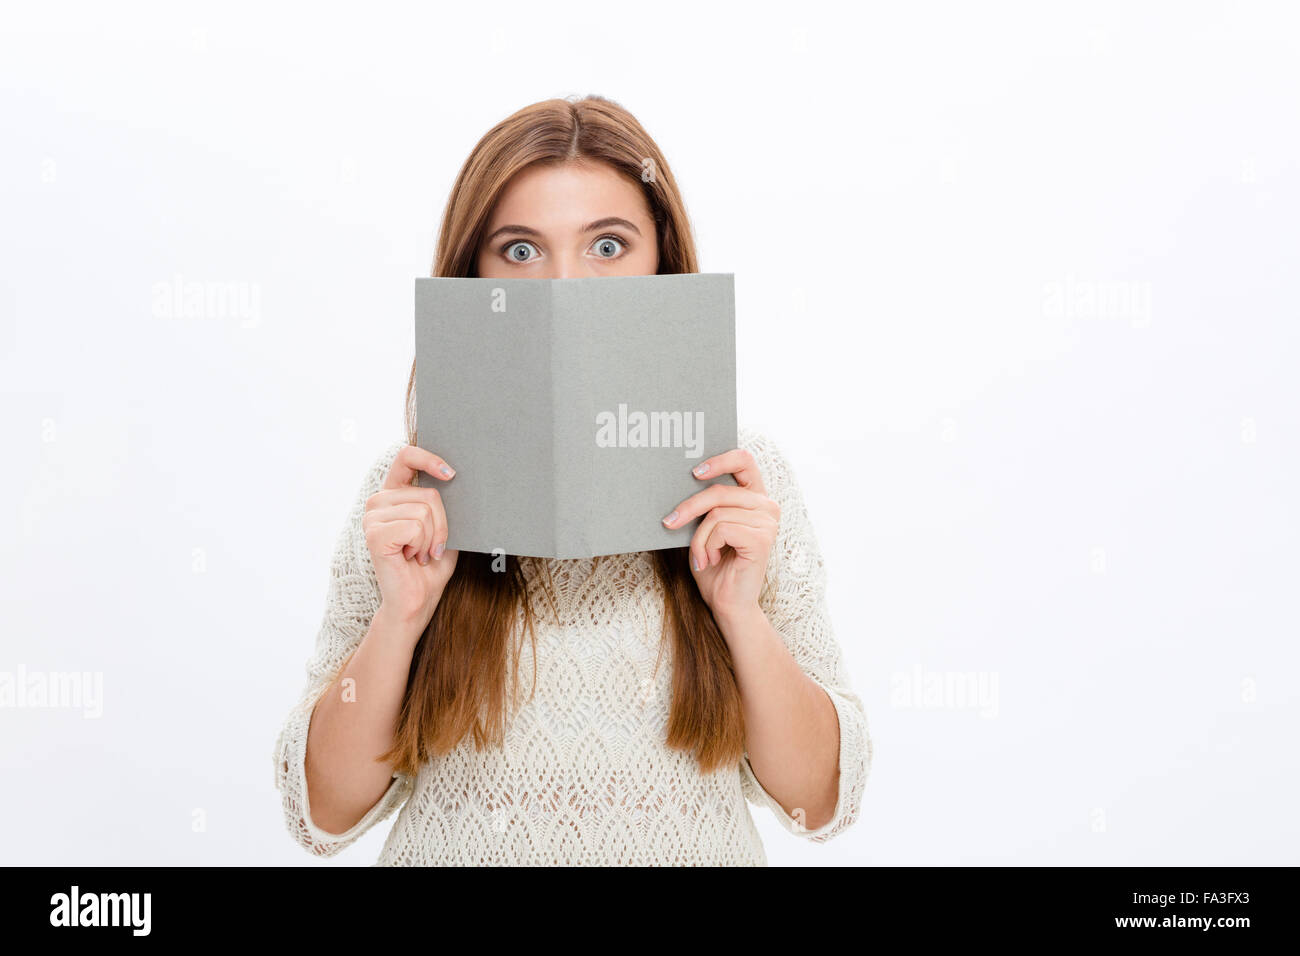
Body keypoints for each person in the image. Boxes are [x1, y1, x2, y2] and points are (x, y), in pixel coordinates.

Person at [272, 94, 872, 865]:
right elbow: (322, 811)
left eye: (609, 245)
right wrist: (401, 618)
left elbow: (818, 800)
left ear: (662, 258)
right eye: (520, 251)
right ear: (472, 275)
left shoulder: (742, 483)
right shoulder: (413, 493)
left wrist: (739, 612)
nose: (566, 286)